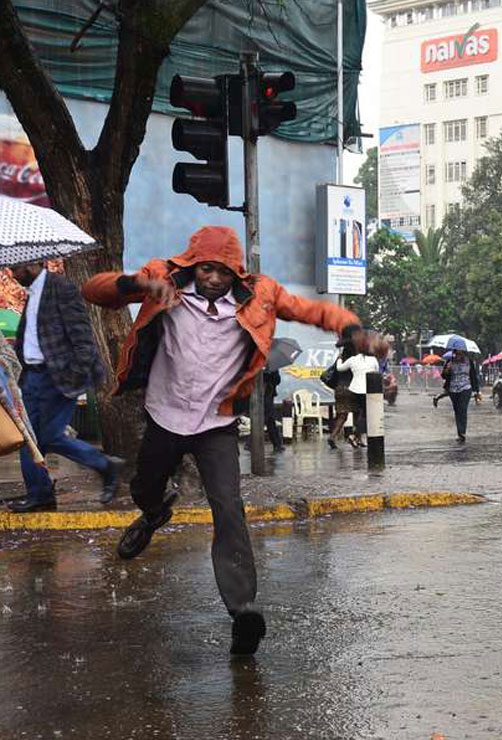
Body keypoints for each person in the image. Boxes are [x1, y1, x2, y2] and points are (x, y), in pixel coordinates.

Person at [81, 225, 359, 655]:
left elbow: (308, 311)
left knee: (229, 508)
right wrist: (136, 284)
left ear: (237, 275)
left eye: (223, 273)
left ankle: (243, 609)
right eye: (206, 269)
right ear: (193, 266)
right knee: (143, 490)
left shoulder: (262, 294)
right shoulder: (164, 278)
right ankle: (154, 514)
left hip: (217, 422)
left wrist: (352, 328)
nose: (213, 279)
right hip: (165, 415)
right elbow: (94, 290)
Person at [8, 261, 123, 512]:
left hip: (57, 377)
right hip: (32, 376)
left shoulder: (62, 288)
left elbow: (83, 339)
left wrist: (74, 379)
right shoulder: (32, 293)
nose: (13, 274)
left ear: (33, 263)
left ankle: (105, 465)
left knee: (49, 436)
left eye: (16, 268)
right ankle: (39, 494)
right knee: (28, 438)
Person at [336, 332, 378, 446]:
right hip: (367, 390)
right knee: (365, 415)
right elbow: (377, 371)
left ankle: (357, 438)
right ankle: (354, 435)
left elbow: (340, 368)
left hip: (354, 390)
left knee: (359, 413)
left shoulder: (352, 360)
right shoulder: (373, 359)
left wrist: (339, 359)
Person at [441, 344, 481, 442]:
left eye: (460, 352)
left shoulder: (469, 361)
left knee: (462, 409)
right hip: (453, 389)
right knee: (457, 410)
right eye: (457, 352)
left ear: (463, 352)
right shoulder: (450, 361)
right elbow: (443, 376)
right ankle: (459, 432)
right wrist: (447, 370)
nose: (458, 354)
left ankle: (462, 432)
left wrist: (476, 391)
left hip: (466, 388)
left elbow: (473, 376)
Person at [327, 333, 360, 449]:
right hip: (352, 389)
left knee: (342, 416)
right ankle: (356, 438)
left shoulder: (339, 360)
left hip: (339, 389)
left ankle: (332, 436)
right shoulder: (355, 360)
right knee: (358, 413)